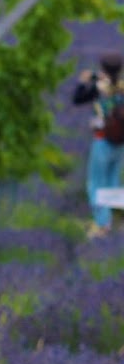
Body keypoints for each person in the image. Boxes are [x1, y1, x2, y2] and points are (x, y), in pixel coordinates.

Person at [73, 51, 124, 233]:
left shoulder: (99, 87)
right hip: (120, 142)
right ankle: (113, 220)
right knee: (112, 181)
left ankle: (102, 224)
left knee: (96, 183)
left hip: (103, 139)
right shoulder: (122, 86)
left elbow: (77, 99)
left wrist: (84, 81)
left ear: (102, 68)